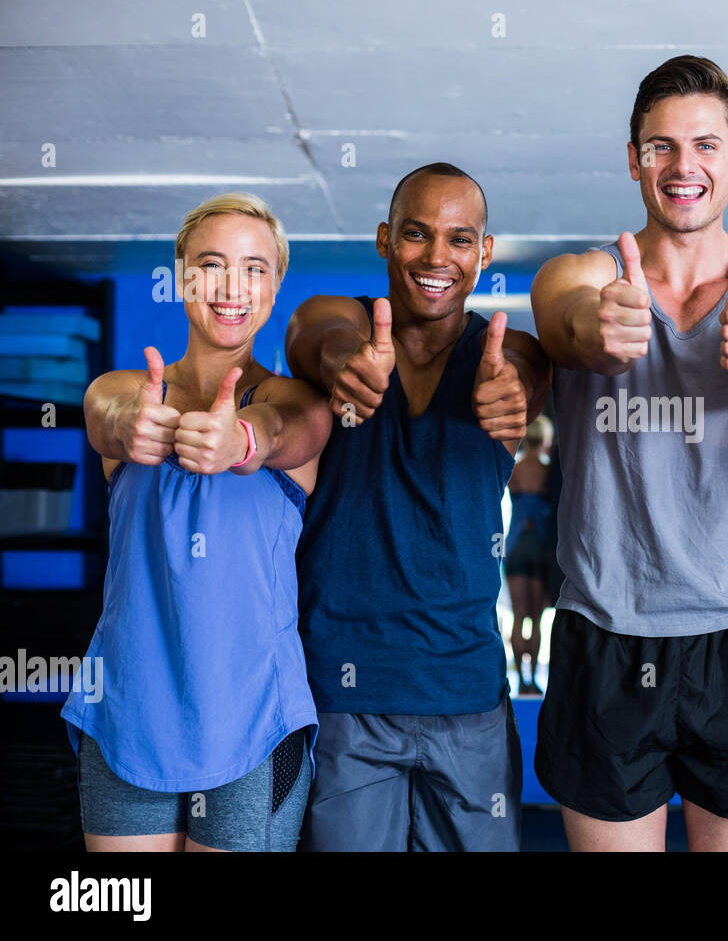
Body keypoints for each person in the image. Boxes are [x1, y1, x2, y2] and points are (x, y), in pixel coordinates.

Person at [530, 55, 728, 851]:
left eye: (705, 145)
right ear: (633, 159)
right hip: (604, 632)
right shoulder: (585, 275)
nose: (683, 166)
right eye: (660, 146)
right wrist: (596, 330)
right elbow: (565, 317)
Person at [285, 163, 551, 851]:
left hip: (467, 695)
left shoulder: (508, 353)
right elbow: (316, 331)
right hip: (346, 693)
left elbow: (524, 374)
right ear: (384, 240)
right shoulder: (340, 323)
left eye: (461, 240)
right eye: (416, 234)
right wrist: (345, 360)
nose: (438, 257)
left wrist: (511, 394)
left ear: (485, 254)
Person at [63, 192, 332, 851]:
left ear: (274, 288)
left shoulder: (291, 398)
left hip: (254, 721)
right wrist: (133, 427)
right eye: (212, 264)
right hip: (128, 717)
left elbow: (284, 430)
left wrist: (238, 442)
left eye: (254, 268)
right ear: (182, 276)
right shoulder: (124, 391)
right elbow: (107, 415)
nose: (232, 285)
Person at [506, 415, 554, 695]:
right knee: (535, 618)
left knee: (517, 615)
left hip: (514, 545)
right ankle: (531, 680)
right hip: (539, 545)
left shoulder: (515, 469)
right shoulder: (548, 470)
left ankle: (521, 681)